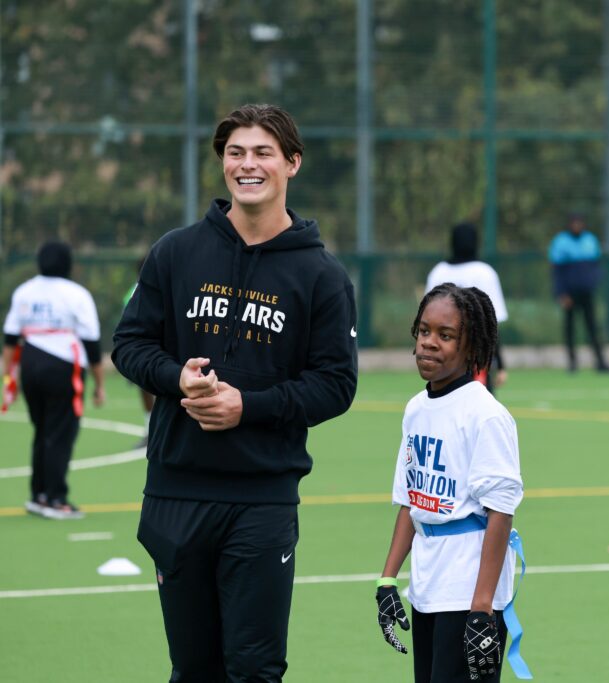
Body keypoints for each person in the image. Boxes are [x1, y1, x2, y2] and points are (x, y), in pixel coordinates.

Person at [112, 103, 358, 681]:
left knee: (253, 670)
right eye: (235, 153)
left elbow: (335, 384)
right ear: (223, 164)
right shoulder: (175, 252)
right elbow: (130, 343)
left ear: (292, 163)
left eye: (263, 153)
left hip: (261, 501)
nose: (248, 165)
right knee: (192, 670)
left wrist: (248, 406)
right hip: (175, 493)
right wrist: (177, 379)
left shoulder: (321, 276)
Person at [375, 283, 525, 683]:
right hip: (427, 583)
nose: (429, 343)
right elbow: (412, 498)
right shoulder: (416, 409)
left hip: (469, 588)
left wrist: (482, 608)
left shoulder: (485, 415)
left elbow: (500, 514)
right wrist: (388, 578)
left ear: (470, 343)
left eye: (446, 335)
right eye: (424, 331)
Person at [3, 241, 106, 520]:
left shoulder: (24, 290)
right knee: (61, 433)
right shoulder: (76, 294)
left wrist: (8, 378)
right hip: (63, 365)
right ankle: (56, 499)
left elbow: (11, 338)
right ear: (68, 264)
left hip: (31, 362)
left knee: (42, 430)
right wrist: (99, 384)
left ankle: (38, 495)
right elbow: (92, 343)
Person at [426, 223, 510, 392]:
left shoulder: (438, 272)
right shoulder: (485, 273)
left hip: (443, 357)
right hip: (476, 359)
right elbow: (492, 325)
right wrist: (500, 364)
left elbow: (427, 322)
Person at [548, 213, 609, 372]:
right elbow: (557, 271)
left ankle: (600, 362)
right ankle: (572, 363)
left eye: (579, 223)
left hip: (586, 293)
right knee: (570, 329)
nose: (577, 226)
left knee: (592, 327)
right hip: (569, 294)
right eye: (574, 223)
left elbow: (596, 266)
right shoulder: (561, 242)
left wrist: (594, 282)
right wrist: (561, 293)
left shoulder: (590, 240)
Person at [123, 257, 155, 448]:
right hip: (145, 351)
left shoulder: (169, 286)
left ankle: (153, 432)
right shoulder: (133, 293)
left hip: (148, 352)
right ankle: (151, 431)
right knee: (146, 391)